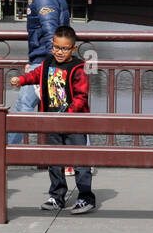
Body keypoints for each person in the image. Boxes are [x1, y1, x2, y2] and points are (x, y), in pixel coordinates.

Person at [10, 25, 95, 214]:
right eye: (56, 47)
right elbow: (35, 75)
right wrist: (21, 80)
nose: (59, 52)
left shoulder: (78, 68)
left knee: (80, 161)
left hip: (73, 123)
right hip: (51, 121)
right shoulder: (47, 63)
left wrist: (68, 114)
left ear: (73, 49)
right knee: (54, 160)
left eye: (64, 48)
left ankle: (85, 197)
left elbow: (82, 96)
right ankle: (57, 196)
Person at [7, 0, 69, 145]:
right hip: (43, 60)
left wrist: (43, 63)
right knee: (61, 110)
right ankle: (80, 158)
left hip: (45, 62)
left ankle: (4, 155)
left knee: (24, 107)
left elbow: (51, 33)